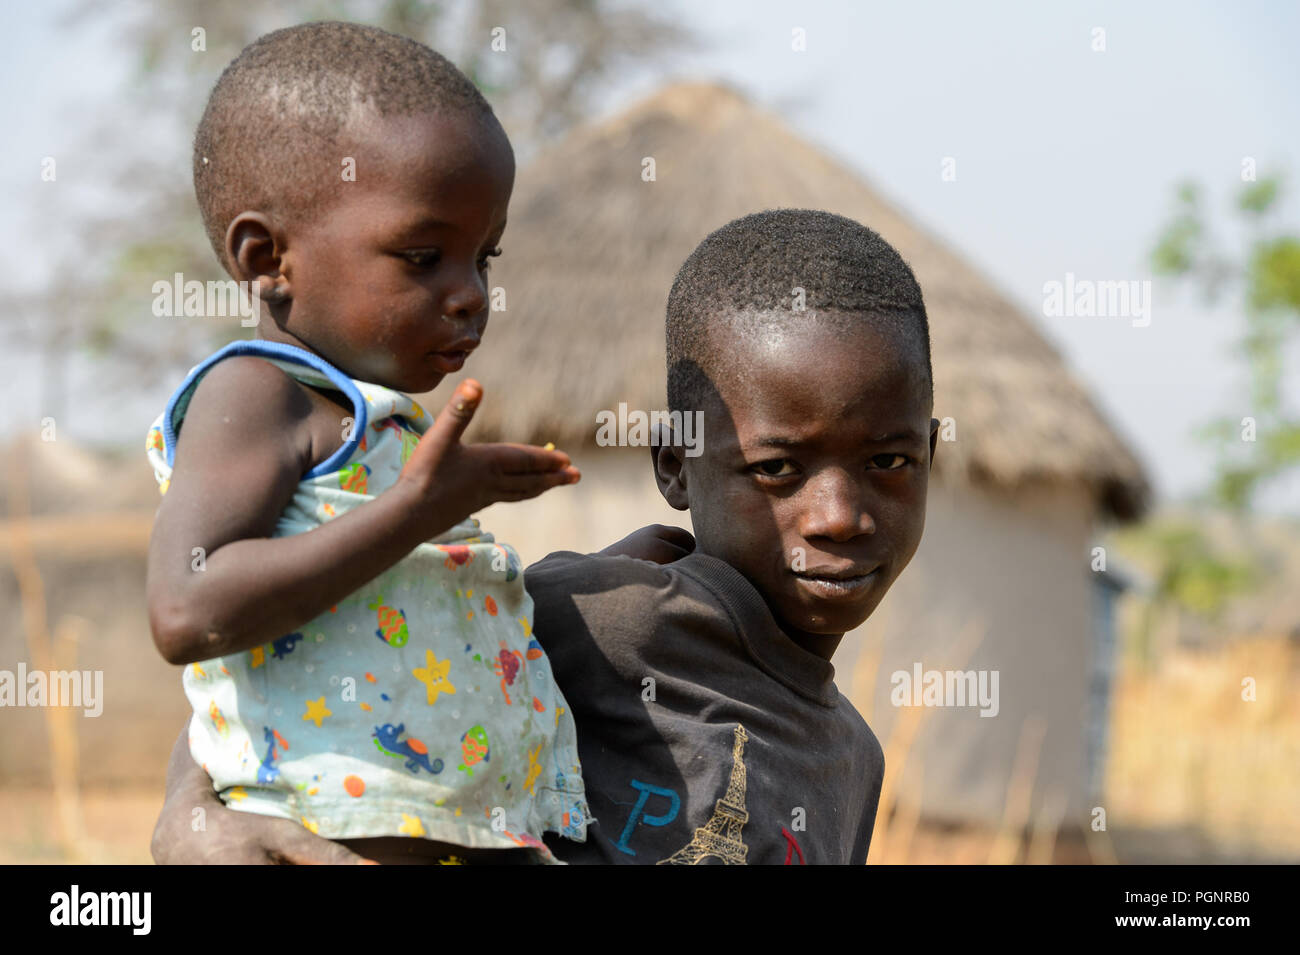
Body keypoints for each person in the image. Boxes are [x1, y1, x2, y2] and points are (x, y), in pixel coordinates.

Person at [153, 208, 940, 865]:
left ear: (932, 455)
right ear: (673, 464)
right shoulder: (609, 617)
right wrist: (187, 812)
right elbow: (304, 658)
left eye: (890, 460)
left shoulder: (854, 759)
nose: (840, 514)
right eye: (777, 467)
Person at [144, 21, 596, 865]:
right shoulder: (254, 392)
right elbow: (185, 609)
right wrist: (416, 510)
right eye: (424, 256)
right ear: (266, 256)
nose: (469, 295)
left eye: (484, 259)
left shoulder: (375, 421)